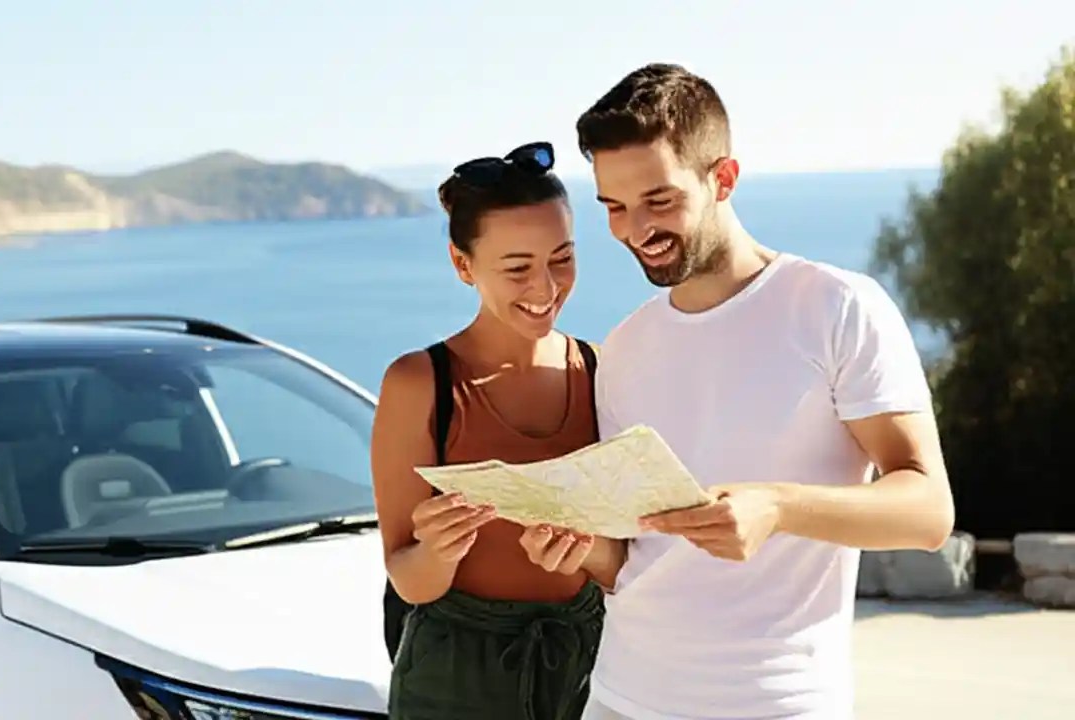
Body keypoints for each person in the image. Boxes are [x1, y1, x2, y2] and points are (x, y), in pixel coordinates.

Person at [521, 64, 956, 719]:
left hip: (776, 704)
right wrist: (580, 548)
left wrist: (777, 507)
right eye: (614, 207)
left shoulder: (837, 308)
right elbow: (637, 558)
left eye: (659, 200)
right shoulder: (626, 347)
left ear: (723, 178)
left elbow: (928, 512)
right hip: (620, 698)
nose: (636, 229)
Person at [370, 141, 626, 720]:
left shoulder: (604, 370)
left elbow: (626, 567)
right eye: (517, 268)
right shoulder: (419, 383)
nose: (546, 288)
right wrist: (438, 551)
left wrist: (588, 552)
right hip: (454, 679)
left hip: (595, 664)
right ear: (463, 265)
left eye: (562, 258)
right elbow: (409, 579)